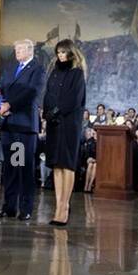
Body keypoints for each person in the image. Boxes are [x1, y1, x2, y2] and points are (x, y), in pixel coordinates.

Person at [0, 38, 43, 220]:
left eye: (21, 49)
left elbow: (31, 92)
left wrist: (9, 105)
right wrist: (0, 105)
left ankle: (25, 208)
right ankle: (9, 207)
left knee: (23, 166)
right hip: (9, 125)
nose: (17, 52)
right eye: (16, 49)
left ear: (30, 51)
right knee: (11, 168)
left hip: (23, 125)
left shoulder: (36, 69)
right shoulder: (10, 69)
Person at [41, 38, 86, 226]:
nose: (60, 55)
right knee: (56, 165)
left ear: (71, 53)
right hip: (54, 123)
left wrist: (57, 111)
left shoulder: (77, 73)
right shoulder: (54, 73)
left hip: (69, 123)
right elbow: (48, 94)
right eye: (58, 52)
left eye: (63, 52)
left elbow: (74, 99)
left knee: (67, 165)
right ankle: (58, 205)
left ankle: (65, 207)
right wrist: (47, 112)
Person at [78, 126, 98, 193]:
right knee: (90, 165)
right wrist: (89, 158)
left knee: (95, 165)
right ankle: (86, 185)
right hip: (90, 160)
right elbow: (87, 152)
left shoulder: (101, 141)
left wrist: (95, 159)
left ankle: (89, 185)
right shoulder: (90, 141)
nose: (95, 133)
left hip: (97, 161)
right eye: (94, 132)